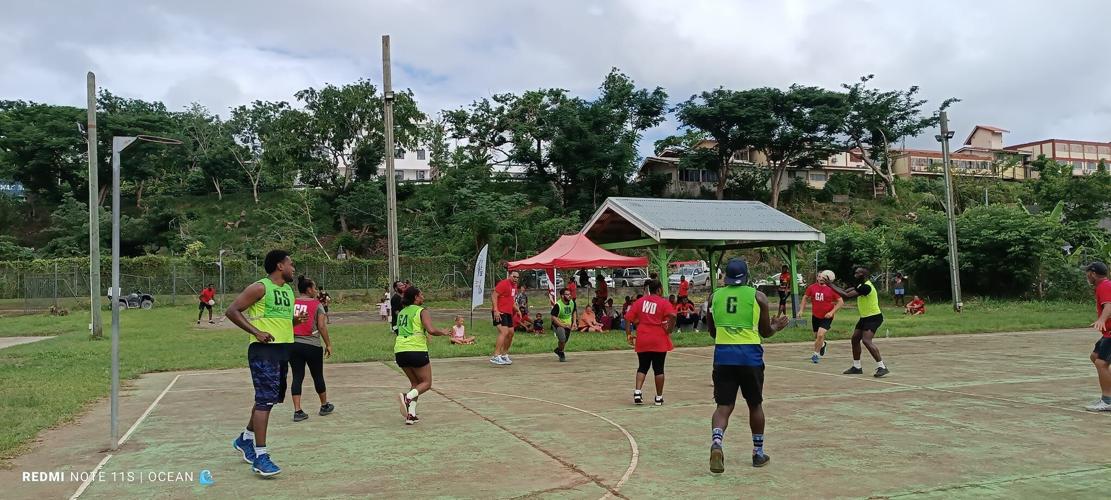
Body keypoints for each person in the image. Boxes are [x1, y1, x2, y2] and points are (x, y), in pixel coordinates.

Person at [226, 250, 308, 477]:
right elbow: (232, 311)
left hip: (283, 349)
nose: (293, 268)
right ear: (280, 266)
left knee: (269, 399)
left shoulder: (288, 291)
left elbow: (279, 319)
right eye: (291, 264)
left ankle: (246, 439)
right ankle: (261, 456)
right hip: (264, 351)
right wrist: (256, 331)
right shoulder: (260, 287)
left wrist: (294, 320)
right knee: (264, 401)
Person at [707, 258, 790, 473]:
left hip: (723, 355)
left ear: (725, 276)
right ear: (746, 276)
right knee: (755, 404)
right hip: (749, 356)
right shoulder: (758, 297)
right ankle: (758, 453)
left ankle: (717, 442)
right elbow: (765, 332)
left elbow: (713, 332)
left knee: (723, 406)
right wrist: (776, 326)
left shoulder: (713, 297)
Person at [395, 286, 451, 424]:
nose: (423, 297)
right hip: (416, 349)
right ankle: (406, 396)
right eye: (421, 295)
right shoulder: (422, 311)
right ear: (415, 297)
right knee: (426, 383)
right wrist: (442, 332)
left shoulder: (402, 312)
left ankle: (411, 414)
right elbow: (431, 329)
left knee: (415, 383)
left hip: (400, 350)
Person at [827, 267, 889, 378]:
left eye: (857, 273)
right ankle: (857, 367)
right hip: (865, 317)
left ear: (863, 275)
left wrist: (830, 285)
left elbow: (846, 296)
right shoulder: (860, 285)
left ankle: (882, 367)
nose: (855, 274)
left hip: (873, 317)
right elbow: (845, 292)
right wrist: (831, 285)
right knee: (855, 339)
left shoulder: (866, 287)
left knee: (866, 340)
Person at [625, 279, 676, 406]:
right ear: (659, 290)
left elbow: (628, 318)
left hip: (643, 338)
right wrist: (669, 329)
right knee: (659, 369)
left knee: (642, 366)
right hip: (659, 339)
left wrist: (629, 334)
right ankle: (658, 397)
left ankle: (637, 392)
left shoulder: (640, 302)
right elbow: (673, 316)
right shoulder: (663, 303)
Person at [290, 276, 334, 422]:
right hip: (312, 345)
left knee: (297, 376)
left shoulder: (294, 302)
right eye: (314, 288)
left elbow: (297, 322)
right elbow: (321, 326)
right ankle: (324, 405)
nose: (315, 291)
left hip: (295, 344)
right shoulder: (316, 304)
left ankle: (297, 410)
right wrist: (328, 343)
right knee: (317, 375)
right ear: (308, 289)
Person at [797, 274, 843, 364]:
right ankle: (822, 344)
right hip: (815, 316)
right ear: (817, 278)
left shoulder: (832, 289)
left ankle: (815, 355)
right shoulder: (812, 287)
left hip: (827, 316)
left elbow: (841, 302)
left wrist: (831, 312)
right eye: (819, 276)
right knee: (816, 336)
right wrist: (801, 310)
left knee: (820, 335)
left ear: (827, 279)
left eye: (823, 277)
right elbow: (805, 297)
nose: (821, 278)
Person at [1084, 262, 1111, 411]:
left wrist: (1101, 320)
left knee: (1102, 363)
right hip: (1108, 332)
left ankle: (1107, 401)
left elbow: (1109, 306)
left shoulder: (1105, 286)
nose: (1086, 276)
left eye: (1087, 273)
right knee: (1095, 357)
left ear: (1093, 274)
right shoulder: (1103, 286)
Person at [490, 271, 521, 365]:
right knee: (504, 332)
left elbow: (511, 301)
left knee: (511, 333)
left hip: (508, 312)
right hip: (500, 312)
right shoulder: (503, 283)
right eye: (514, 276)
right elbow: (494, 295)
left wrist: (517, 310)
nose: (515, 279)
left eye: (517, 277)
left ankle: (504, 354)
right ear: (510, 276)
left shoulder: (514, 287)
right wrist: (496, 310)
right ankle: (496, 356)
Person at [550, 287, 577, 361]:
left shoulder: (572, 302)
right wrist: (562, 325)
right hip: (558, 324)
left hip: (568, 324)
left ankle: (559, 350)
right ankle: (561, 352)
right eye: (567, 294)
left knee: (564, 341)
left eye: (569, 294)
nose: (569, 296)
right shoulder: (558, 305)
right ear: (562, 296)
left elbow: (574, 311)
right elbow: (553, 317)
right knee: (562, 338)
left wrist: (574, 322)